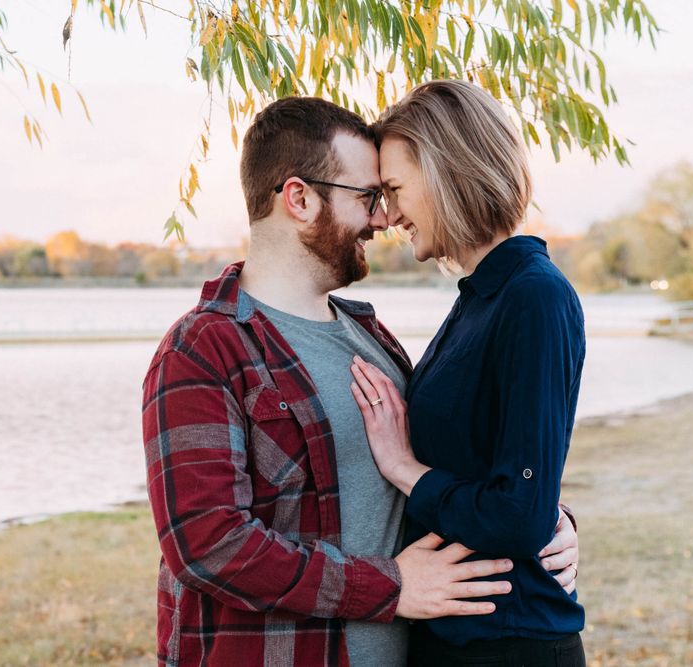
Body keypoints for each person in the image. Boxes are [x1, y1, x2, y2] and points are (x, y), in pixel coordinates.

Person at [141, 95, 579, 666]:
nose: (382, 219)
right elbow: (209, 543)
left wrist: (546, 519)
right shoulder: (204, 349)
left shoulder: (371, 336)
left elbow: (457, 459)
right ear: (299, 198)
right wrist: (392, 585)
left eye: (387, 195)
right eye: (369, 198)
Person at [349, 80, 586, 666]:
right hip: (456, 636)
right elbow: (504, 469)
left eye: (396, 189)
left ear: (449, 172)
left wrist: (404, 467)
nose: (389, 214)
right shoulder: (480, 297)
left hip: (507, 645)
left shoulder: (533, 297)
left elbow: (518, 515)